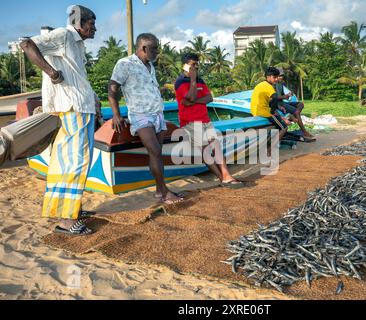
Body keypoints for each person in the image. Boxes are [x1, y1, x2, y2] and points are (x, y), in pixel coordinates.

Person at [20, 5, 100, 235]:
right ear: (80, 23)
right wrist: (52, 73)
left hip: (79, 108)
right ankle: (66, 221)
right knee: (74, 162)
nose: (95, 28)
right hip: (72, 109)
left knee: (70, 161)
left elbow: (78, 77)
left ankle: (73, 209)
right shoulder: (65, 35)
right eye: (92, 24)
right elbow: (27, 44)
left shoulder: (76, 43)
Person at [108, 33, 184, 204]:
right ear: (143, 48)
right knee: (156, 151)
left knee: (155, 153)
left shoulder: (150, 66)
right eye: (154, 48)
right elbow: (112, 88)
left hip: (157, 114)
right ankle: (165, 192)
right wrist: (116, 114)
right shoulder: (125, 63)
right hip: (140, 114)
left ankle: (159, 191)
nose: (157, 52)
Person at [174, 53, 243, 187]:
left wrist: (194, 100)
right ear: (185, 66)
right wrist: (193, 81)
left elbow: (209, 98)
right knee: (206, 149)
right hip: (191, 121)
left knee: (216, 146)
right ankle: (221, 177)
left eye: (196, 64)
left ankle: (226, 175)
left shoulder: (201, 80)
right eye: (192, 64)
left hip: (205, 119)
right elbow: (190, 97)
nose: (195, 67)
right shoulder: (180, 82)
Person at [250, 67, 289, 142]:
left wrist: (276, 109)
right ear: (268, 77)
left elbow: (270, 101)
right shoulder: (268, 87)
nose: (277, 79)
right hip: (263, 113)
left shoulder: (261, 84)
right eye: (275, 77)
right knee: (284, 127)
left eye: (277, 77)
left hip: (255, 111)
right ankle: (270, 148)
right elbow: (275, 97)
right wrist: (273, 112)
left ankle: (272, 142)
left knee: (278, 118)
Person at [274, 69, 314, 139]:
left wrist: (288, 95)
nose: (281, 77)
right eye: (279, 76)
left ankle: (295, 115)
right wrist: (284, 98)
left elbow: (282, 96)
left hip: (282, 102)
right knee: (296, 111)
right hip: (278, 104)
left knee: (300, 104)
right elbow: (274, 98)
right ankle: (304, 131)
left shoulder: (281, 84)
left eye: (282, 76)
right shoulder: (273, 85)